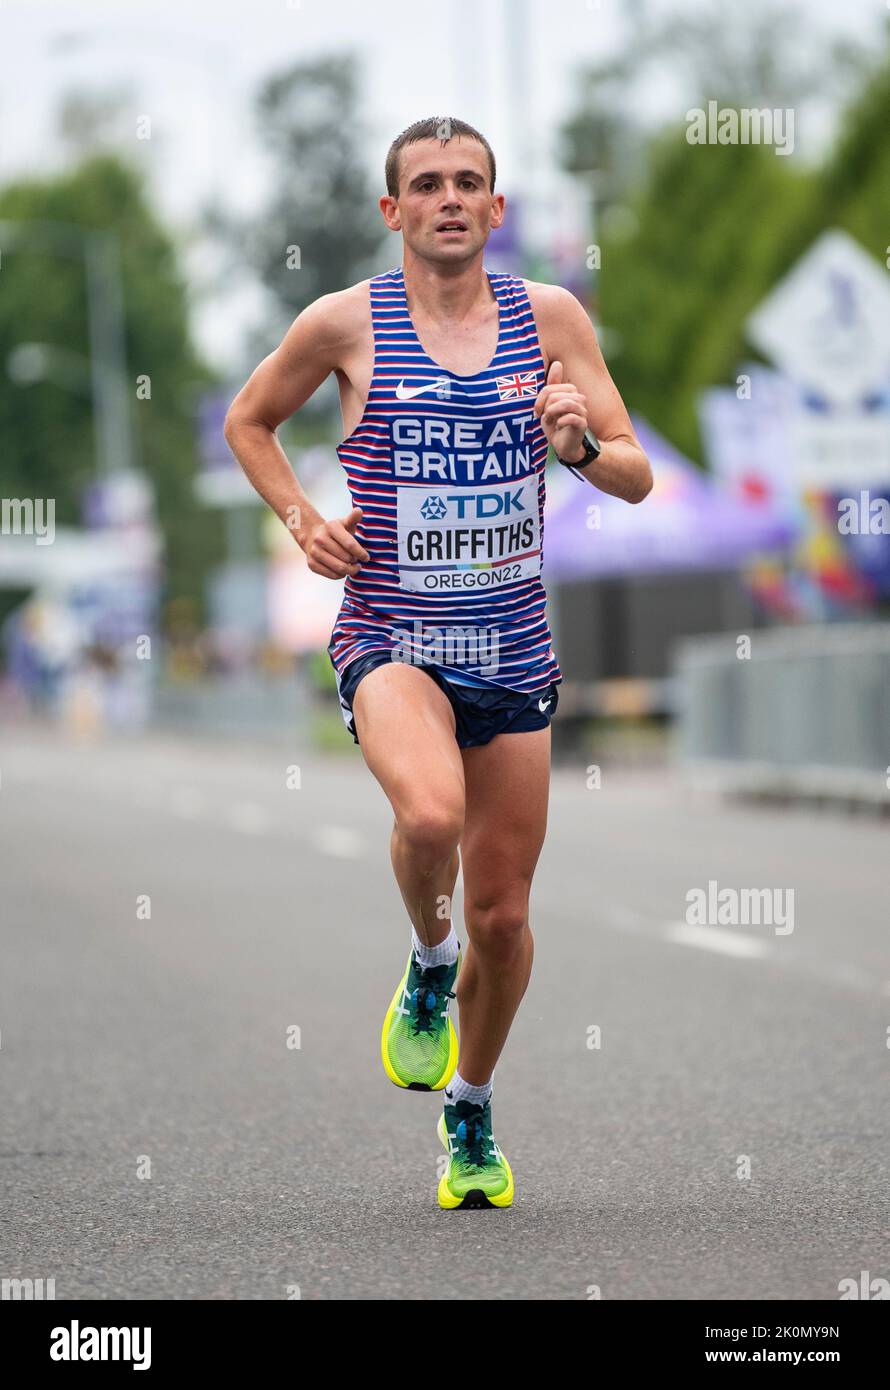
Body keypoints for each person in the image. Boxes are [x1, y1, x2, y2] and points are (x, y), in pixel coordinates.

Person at [224, 116, 651, 1210]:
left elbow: (635, 473)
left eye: (468, 182)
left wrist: (576, 446)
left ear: (496, 209)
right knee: (427, 818)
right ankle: (426, 962)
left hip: (511, 647)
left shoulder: (549, 318)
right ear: (393, 210)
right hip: (392, 635)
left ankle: (470, 1108)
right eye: (426, 184)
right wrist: (301, 519)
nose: (449, 198)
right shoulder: (342, 323)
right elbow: (249, 421)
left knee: (503, 918)